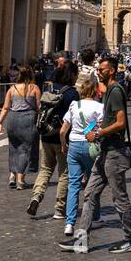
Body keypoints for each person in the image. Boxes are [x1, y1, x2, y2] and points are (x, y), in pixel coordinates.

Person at [58, 56, 131, 253]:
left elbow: (121, 123)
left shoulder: (116, 92)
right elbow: (106, 120)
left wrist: (98, 133)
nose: (99, 72)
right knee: (89, 193)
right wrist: (93, 128)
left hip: (115, 152)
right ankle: (81, 242)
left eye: (102, 69)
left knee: (119, 197)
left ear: (111, 71)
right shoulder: (107, 92)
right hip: (104, 151)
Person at [29, 61, 77, 218]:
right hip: (62, 138)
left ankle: (36, 196)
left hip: (46, 135)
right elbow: (75, 118)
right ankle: (59, 208)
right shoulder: (72, 94)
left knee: (46, 169)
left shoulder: (51, 89)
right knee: (64, 173)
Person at [59, 68, 103, 237]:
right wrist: (89, 130)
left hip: (74, 146)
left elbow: (63, 130)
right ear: (94, 91)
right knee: (94, 183)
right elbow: (100, 125)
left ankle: (69, 223)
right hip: (91, 147)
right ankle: (96, 217)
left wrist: (64, 144)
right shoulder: (99, 106)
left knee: (73, 185)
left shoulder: (74, 105)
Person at [0, 65, 40, 190]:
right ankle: (20, 179)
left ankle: (12, 175)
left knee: (14, 147)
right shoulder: (34, 88)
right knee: (26, 149)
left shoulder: (12, 89)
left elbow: (5, 107)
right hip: (28, 119)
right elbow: (39, 106)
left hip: (13, 119)